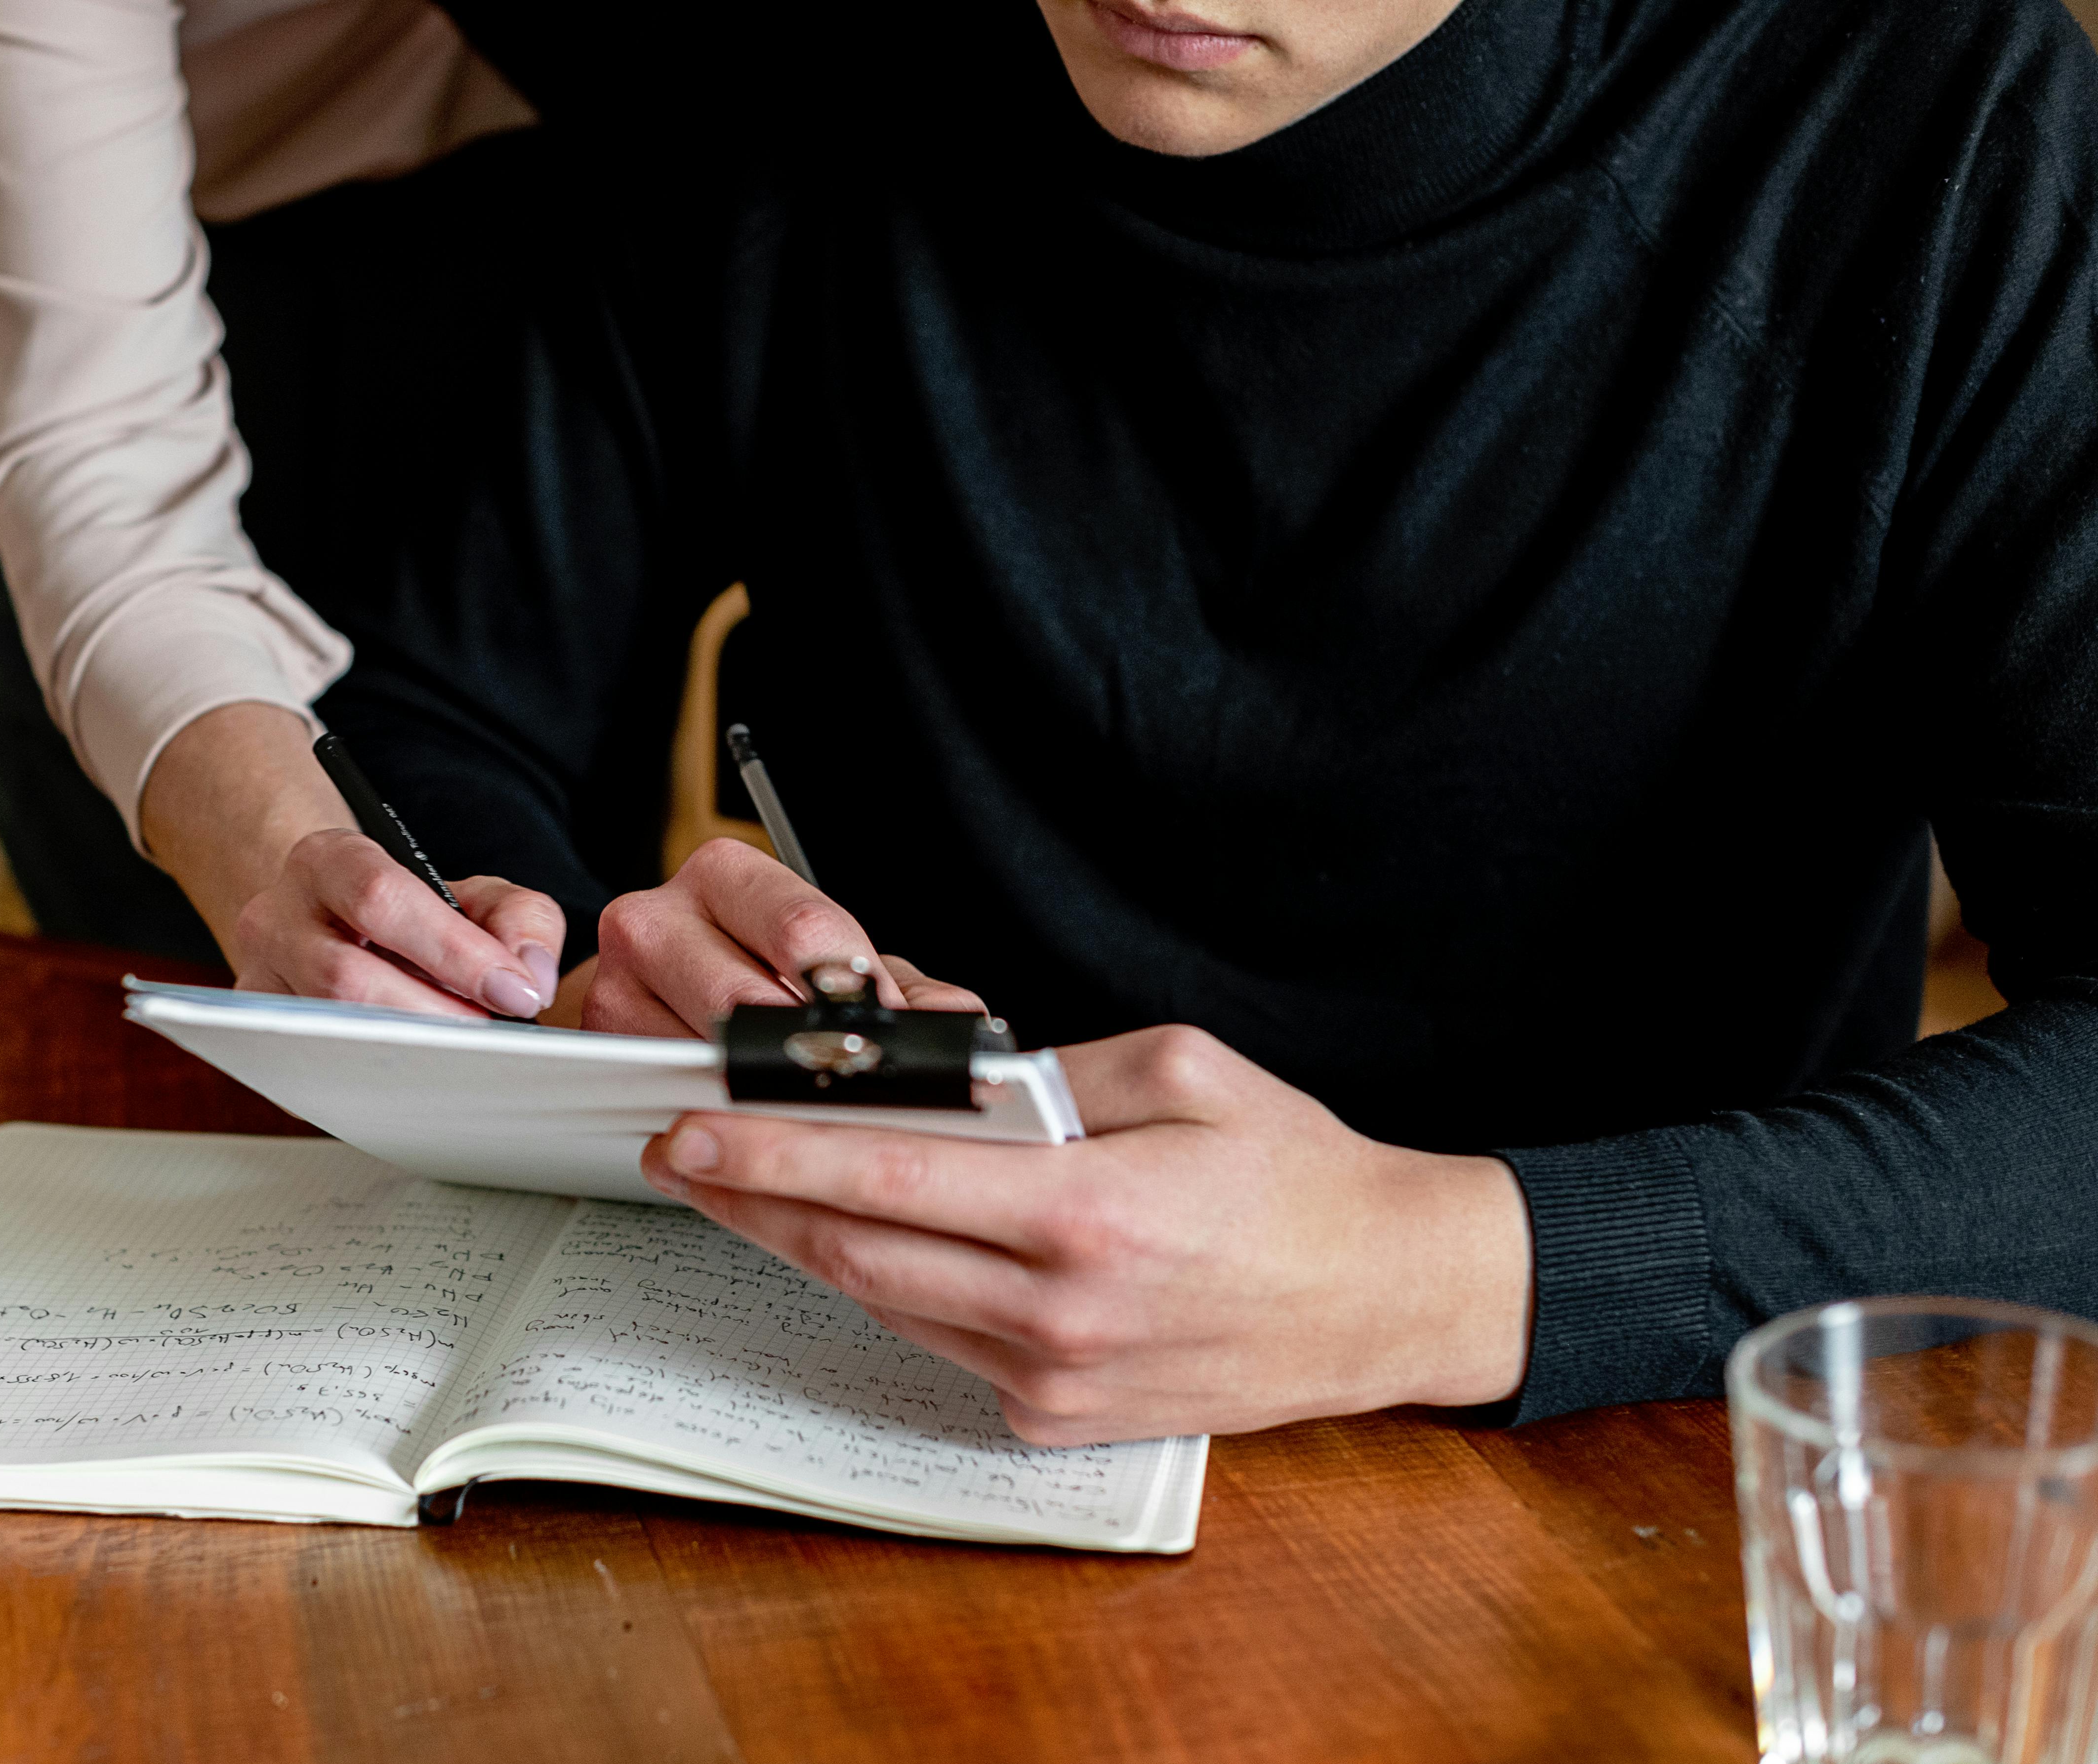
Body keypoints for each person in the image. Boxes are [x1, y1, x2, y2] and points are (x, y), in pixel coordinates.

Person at [275, 0, 2098, 1439]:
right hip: (870, 1398)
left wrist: (1457, 1273)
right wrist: (588, 969)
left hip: (1646, 1456)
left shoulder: (1933, 117)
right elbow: (445, 698)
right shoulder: (780, 56)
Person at [0, 0, 618, 1018]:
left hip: (561, 176)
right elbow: (103, 471)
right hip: (127, 183)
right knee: (175, 940)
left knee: (574, 889)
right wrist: (283, 866)